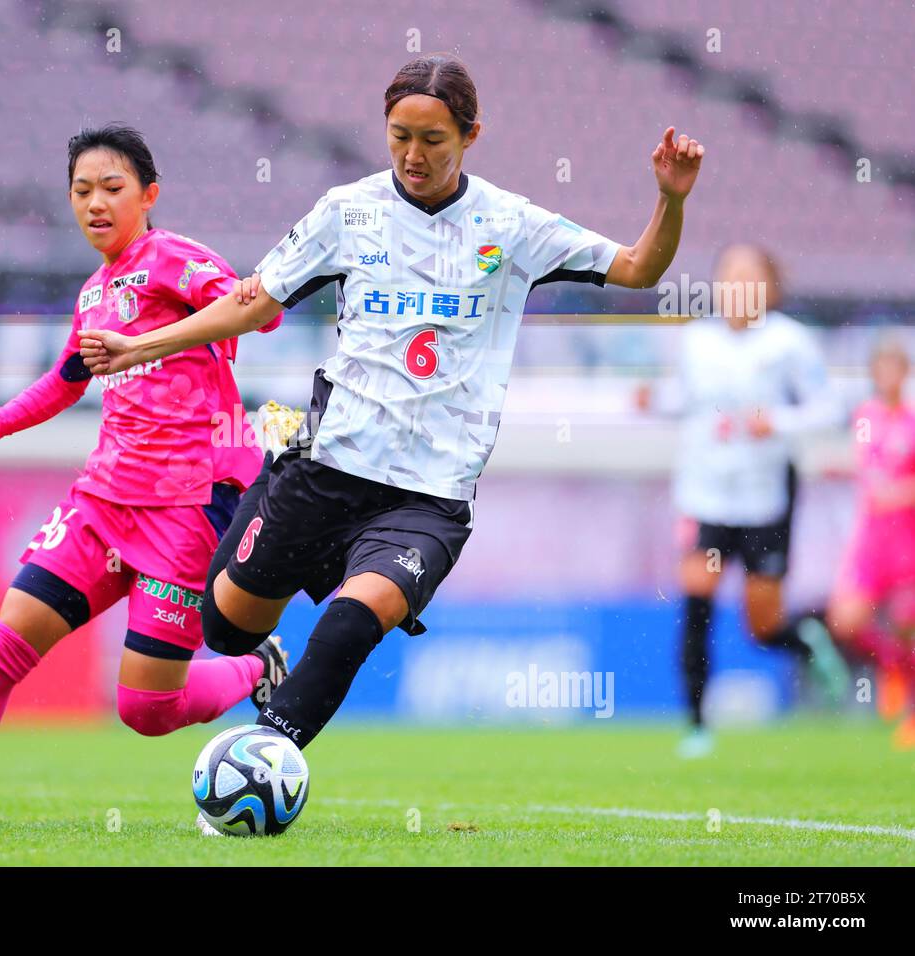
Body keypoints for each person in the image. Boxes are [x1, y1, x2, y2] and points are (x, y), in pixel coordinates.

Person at [82, 54, 704, 759]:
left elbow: (638, 268)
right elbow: (251, 302)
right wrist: (142, 347)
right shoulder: (349, 212)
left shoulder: (512, 225)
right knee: (225, 629)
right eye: (399, 135)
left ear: (471, 135)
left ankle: (260, 763)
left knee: (354, 620)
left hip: (427, 497)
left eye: (432, 140)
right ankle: (260, 643)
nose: (413, 155)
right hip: (328, 468)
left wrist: (671, 199)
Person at [0, 124, 288, 823]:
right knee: (3, 646)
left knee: (144, 709)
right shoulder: (94, 294)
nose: (95, 204)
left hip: (188, 506)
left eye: (112, 188)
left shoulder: (175, 258)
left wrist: (219, 308)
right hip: (102, 503)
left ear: (150, 195)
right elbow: (64, 380)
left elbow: (252, 312)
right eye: (81, 191)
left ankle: (259, 666)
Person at [637, 243, 850, 758]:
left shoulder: (790, 343)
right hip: (704, 493)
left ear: (771, 288)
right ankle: (696, 725)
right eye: (729, 275)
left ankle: (810, 640)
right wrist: (652, 401)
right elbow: (686, 401)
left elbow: (830, 409)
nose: (738, 286)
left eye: (750, 276)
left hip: (764, 498)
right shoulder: (696, 342)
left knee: (763, 625)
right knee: (697, 600)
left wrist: (776, 421)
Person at [825, 336, 915, 748]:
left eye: (896, 367)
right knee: (844, 619)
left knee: (907, 621)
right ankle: (891, 667)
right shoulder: (866, 416)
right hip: (873, 537)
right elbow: (867, 471)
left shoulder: (912, 420)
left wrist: (901, 492)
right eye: (883, 368)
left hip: (907, 535)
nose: (889, 376)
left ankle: (910, 710)